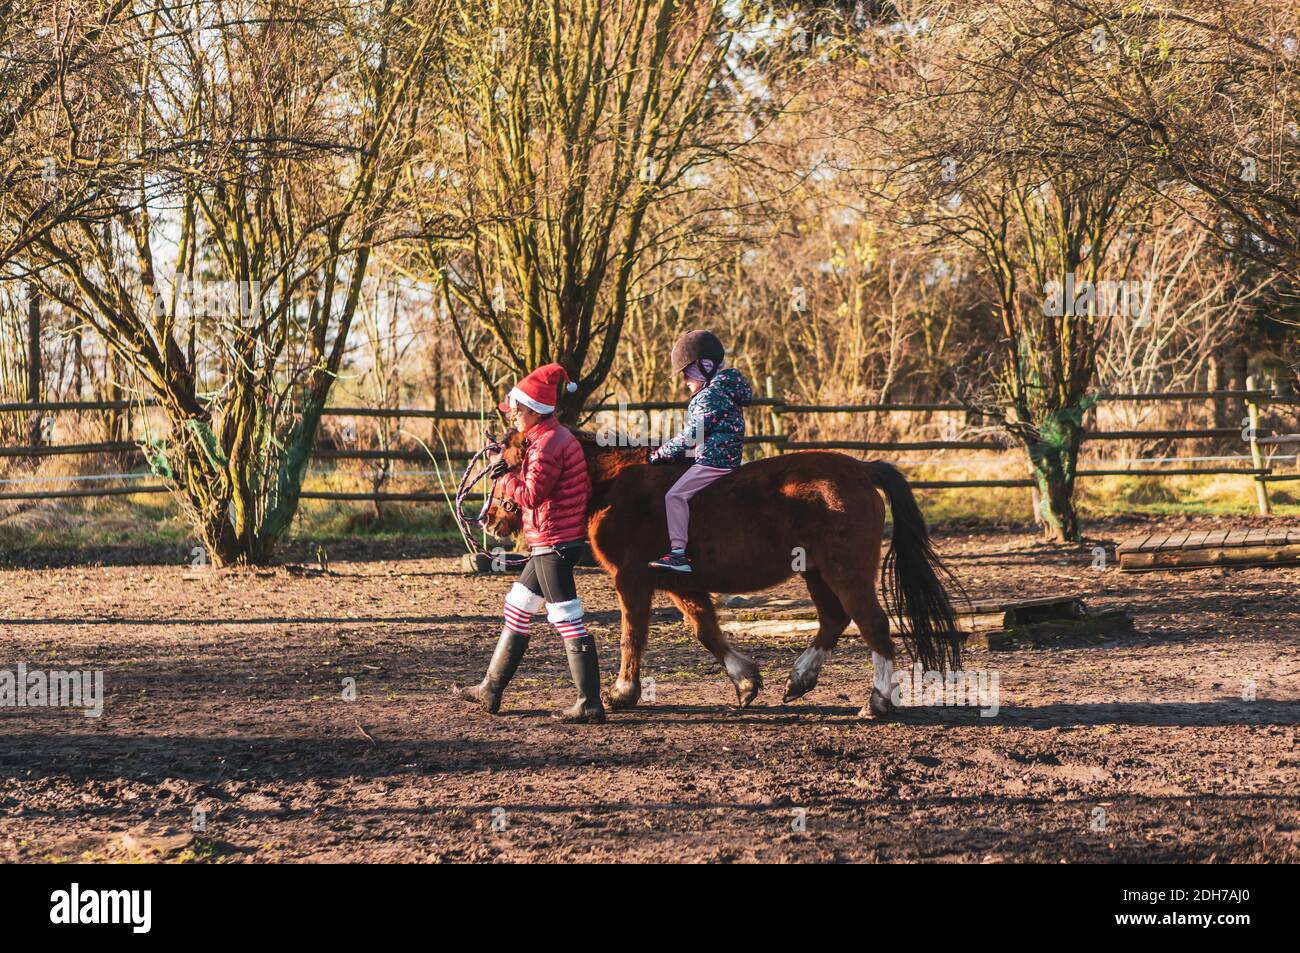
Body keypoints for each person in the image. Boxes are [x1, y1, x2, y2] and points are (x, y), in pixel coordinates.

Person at [452, 363, 605, 723]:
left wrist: (504, 476)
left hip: (554, 541)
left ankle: (589, 702)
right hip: (550, 540)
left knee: (567, 618)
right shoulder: (548, 438)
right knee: (519, 607)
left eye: (517, 410)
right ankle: (491, 688)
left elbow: (533, 495)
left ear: (535, 409)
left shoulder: (549, 443)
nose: (513, 416)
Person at [647, 330, 753, 573]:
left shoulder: (709, 395)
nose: (685, 379)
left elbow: (692, 435)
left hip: (714, 462)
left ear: (703, 368)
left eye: (687, 372)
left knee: (674, 496)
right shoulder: (726, 390)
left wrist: (660, 454)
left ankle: (677, 554)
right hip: (724, 457)